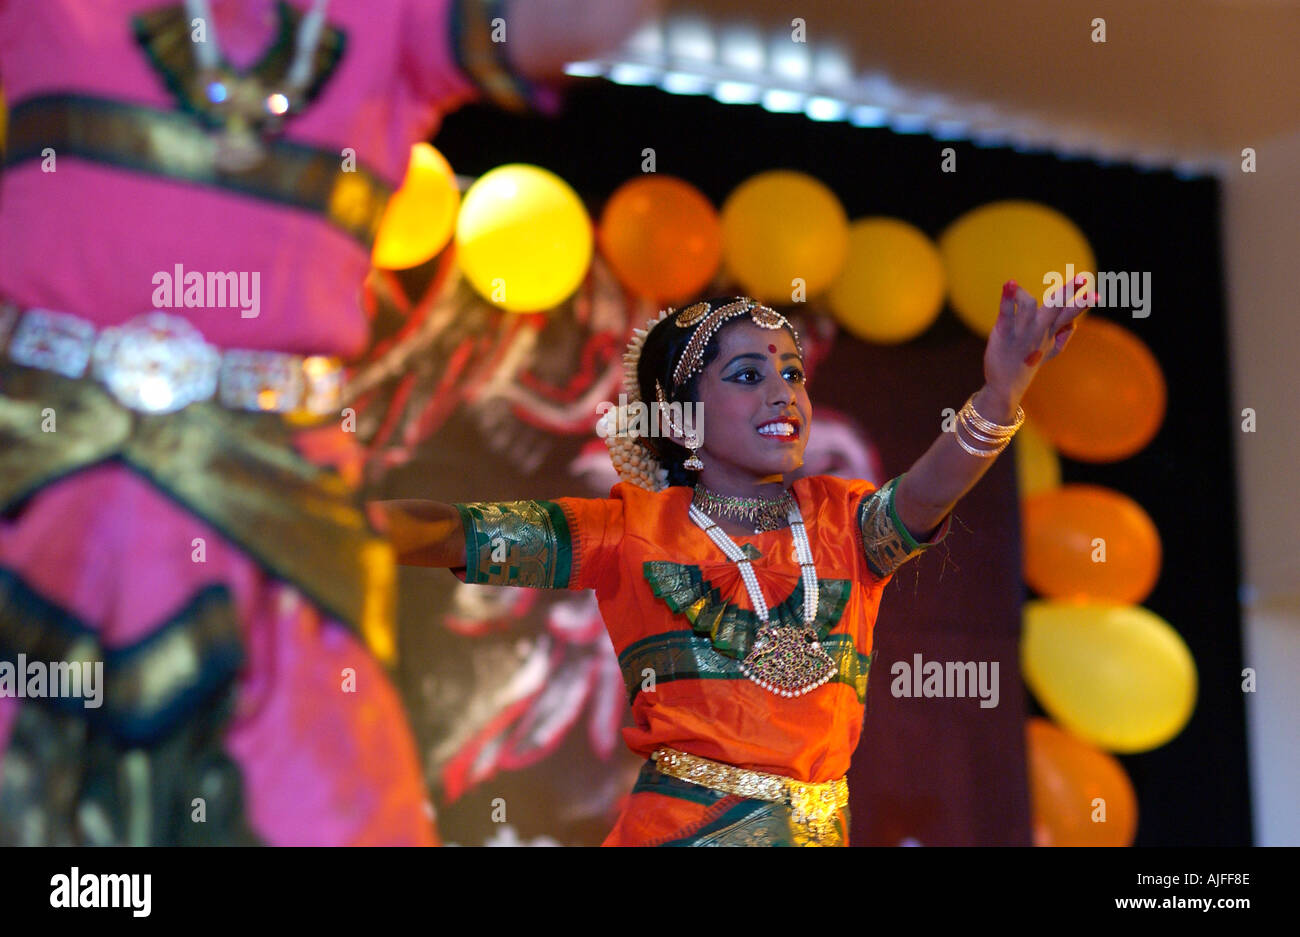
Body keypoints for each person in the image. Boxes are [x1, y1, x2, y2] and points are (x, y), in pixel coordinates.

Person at [0, 0, 656, 845]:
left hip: (269, 510)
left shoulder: (390, 20)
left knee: (318, 808)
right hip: (33, 469)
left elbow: (590, 20)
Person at [371, 283, 1090, 846]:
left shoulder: (845, 521)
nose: (784, 390)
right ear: (681, 415)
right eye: (749, 374)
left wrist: (998, 395)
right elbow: (452, 532)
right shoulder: (627, 530)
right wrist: (322, 524)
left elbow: (930, 491)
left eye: (793, 372)